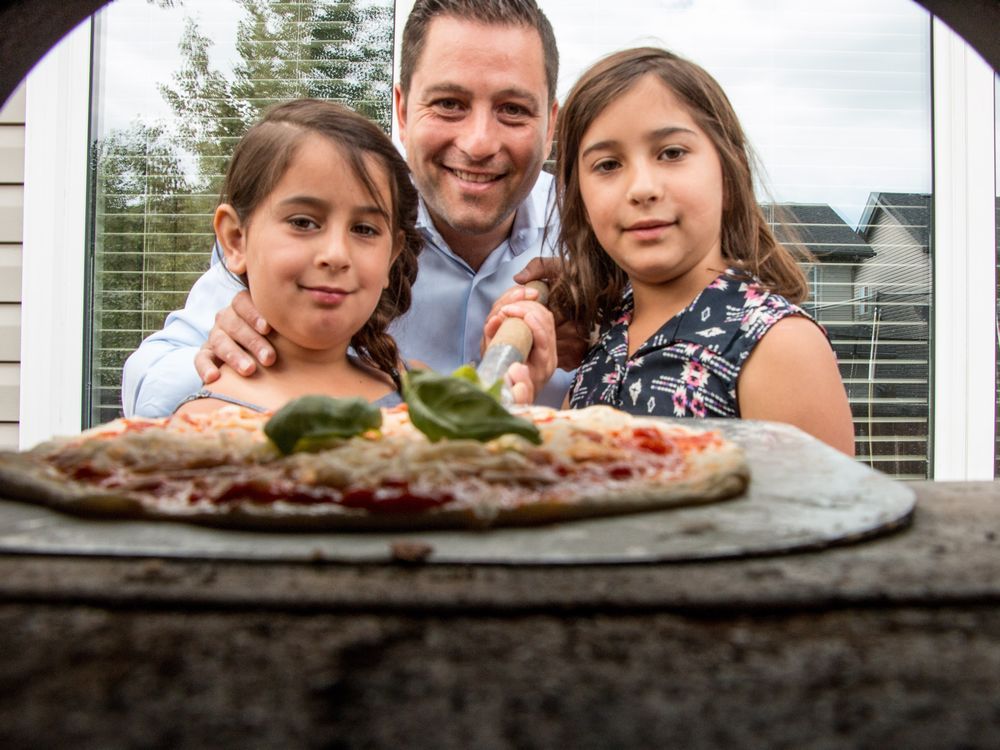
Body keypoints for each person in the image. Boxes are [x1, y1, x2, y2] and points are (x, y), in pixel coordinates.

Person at [121, 0, 571, 417]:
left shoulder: (601, 230)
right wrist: (231, 370)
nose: (478, 143)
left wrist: (608, 330)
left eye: (512, 110)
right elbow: (151, 381)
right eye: (449, 104)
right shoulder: (321, 219)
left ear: (550, 124)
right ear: (402, 108)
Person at [537, 47, 855, 454]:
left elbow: (825, 515)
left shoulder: (777, 345)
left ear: (728, 166)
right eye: (608, 164)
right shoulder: (608, 339)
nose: (642, 188)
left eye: (671, 153)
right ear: (578, 194)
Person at [172, 98, 422, 415]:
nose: (335, 254)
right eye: (303, 223)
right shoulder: (203, 424)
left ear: (391, 255)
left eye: (363, 229)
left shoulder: (415, 390)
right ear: (235, 240)